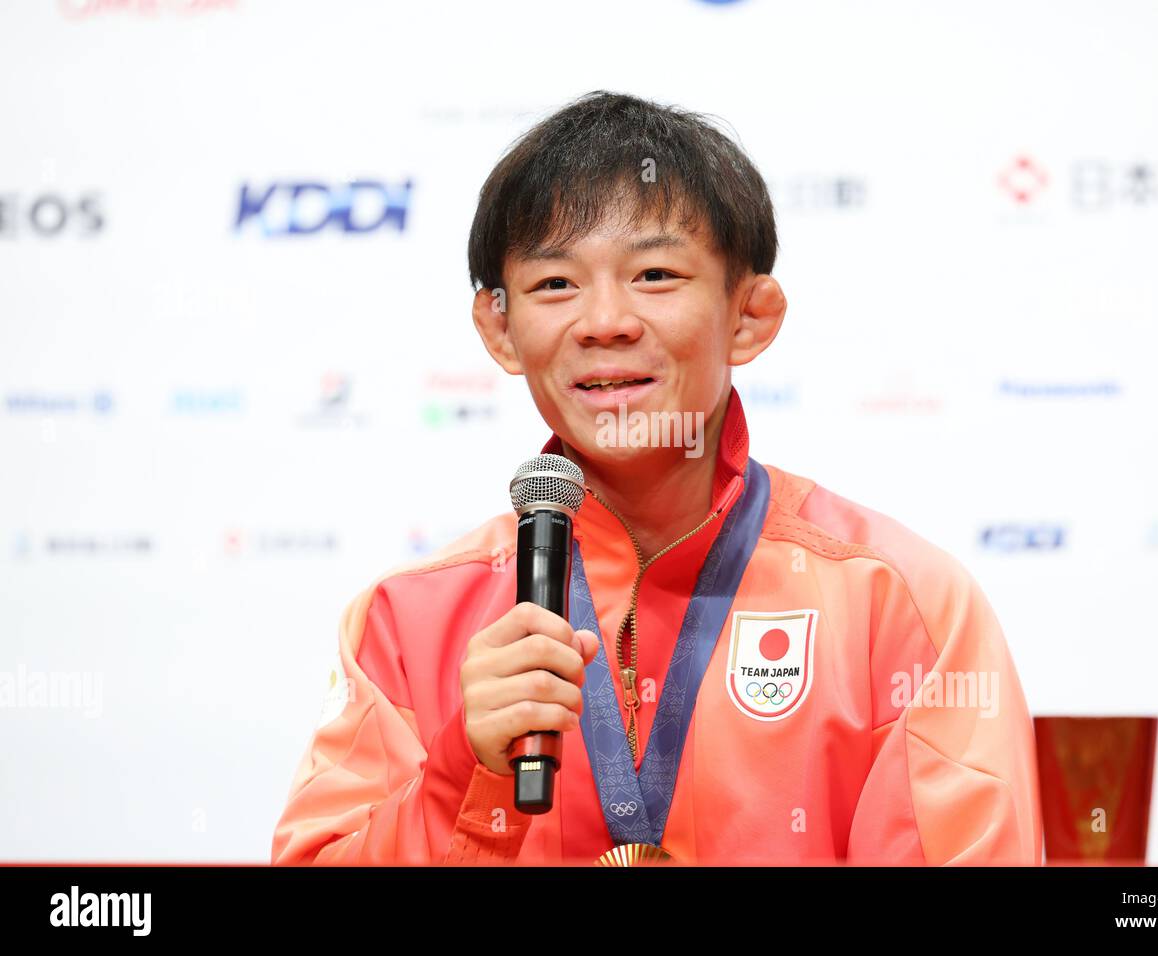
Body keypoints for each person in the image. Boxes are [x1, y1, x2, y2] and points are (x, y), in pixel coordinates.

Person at [270, 90, 1044, 866]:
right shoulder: (408, 623)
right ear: (499, 329)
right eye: (555, 285)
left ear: (749, 314)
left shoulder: (897, 601)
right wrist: (458, 770)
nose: (605, 320)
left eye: (656, 274)